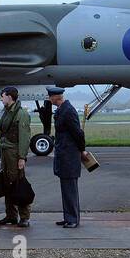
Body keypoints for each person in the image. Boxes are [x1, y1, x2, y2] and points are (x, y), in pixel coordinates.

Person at [48, 86, 85, 228]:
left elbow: (78, 133)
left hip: (70, 155)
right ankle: (68, 216)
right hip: (64, 155)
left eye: (51, 96)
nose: (49, 98)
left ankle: (73, 219)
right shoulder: (62, 110)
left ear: (57, 97)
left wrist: (82, 150)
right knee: (66, 188)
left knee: (70, 188)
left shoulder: (68, 111)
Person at [0, 86, 31, 227]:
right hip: (6, 153)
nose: (1, 98)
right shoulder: (7, 112)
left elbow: (24, 137)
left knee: (18, 184)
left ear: (10, 97)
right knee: (7, 184)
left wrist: (22, 157)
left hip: (15, 154)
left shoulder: (21, 114)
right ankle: (11, 215)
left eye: (3, 96)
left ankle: (24, 217)